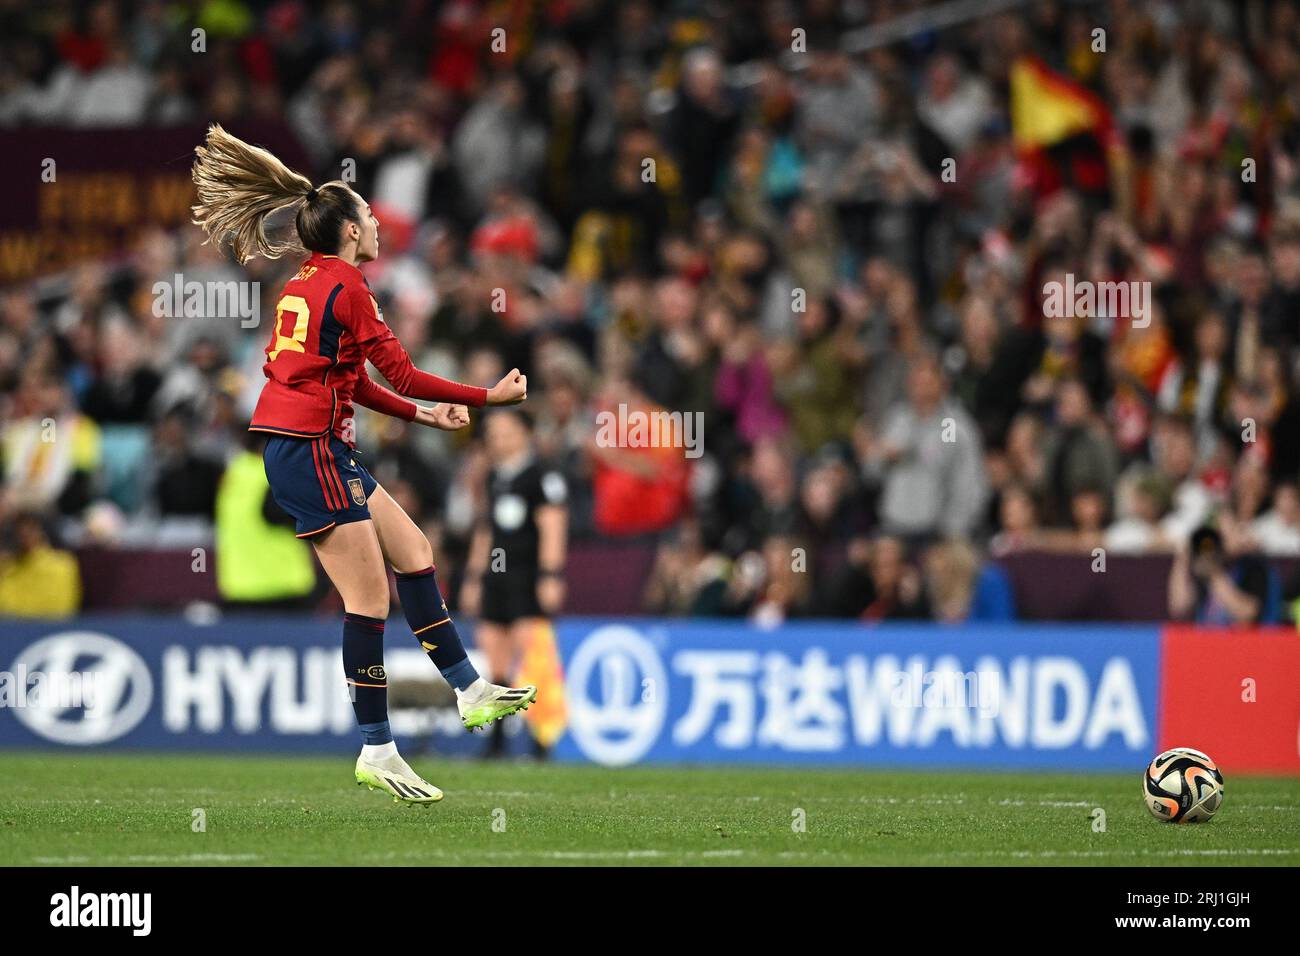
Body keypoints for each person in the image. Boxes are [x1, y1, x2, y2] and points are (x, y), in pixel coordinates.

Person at [191, 124, 535, 804]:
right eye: (370, 216)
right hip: (310, 447)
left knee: (413, 548)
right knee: (368, 599)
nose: (378, 223)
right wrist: (486, 397)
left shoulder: (309, 281)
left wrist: (427, 417)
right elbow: (401, 372)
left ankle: (469, 690)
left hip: (309, 443)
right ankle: (378, 747)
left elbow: (358, 381)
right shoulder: (347, 283)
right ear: (349, 230)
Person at [459, 409, 569, 757]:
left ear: (526, 434)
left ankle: (541, 740)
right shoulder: (493, 476)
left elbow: (553, 526)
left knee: (533, 654)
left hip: (526, 575)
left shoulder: (542, 476)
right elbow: (485, 530)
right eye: (493, 433)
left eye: (507, 431)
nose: (499, 439)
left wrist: (550, 574)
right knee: (496, 658)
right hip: (497, 575)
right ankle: (498, 740)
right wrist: (475, 578)